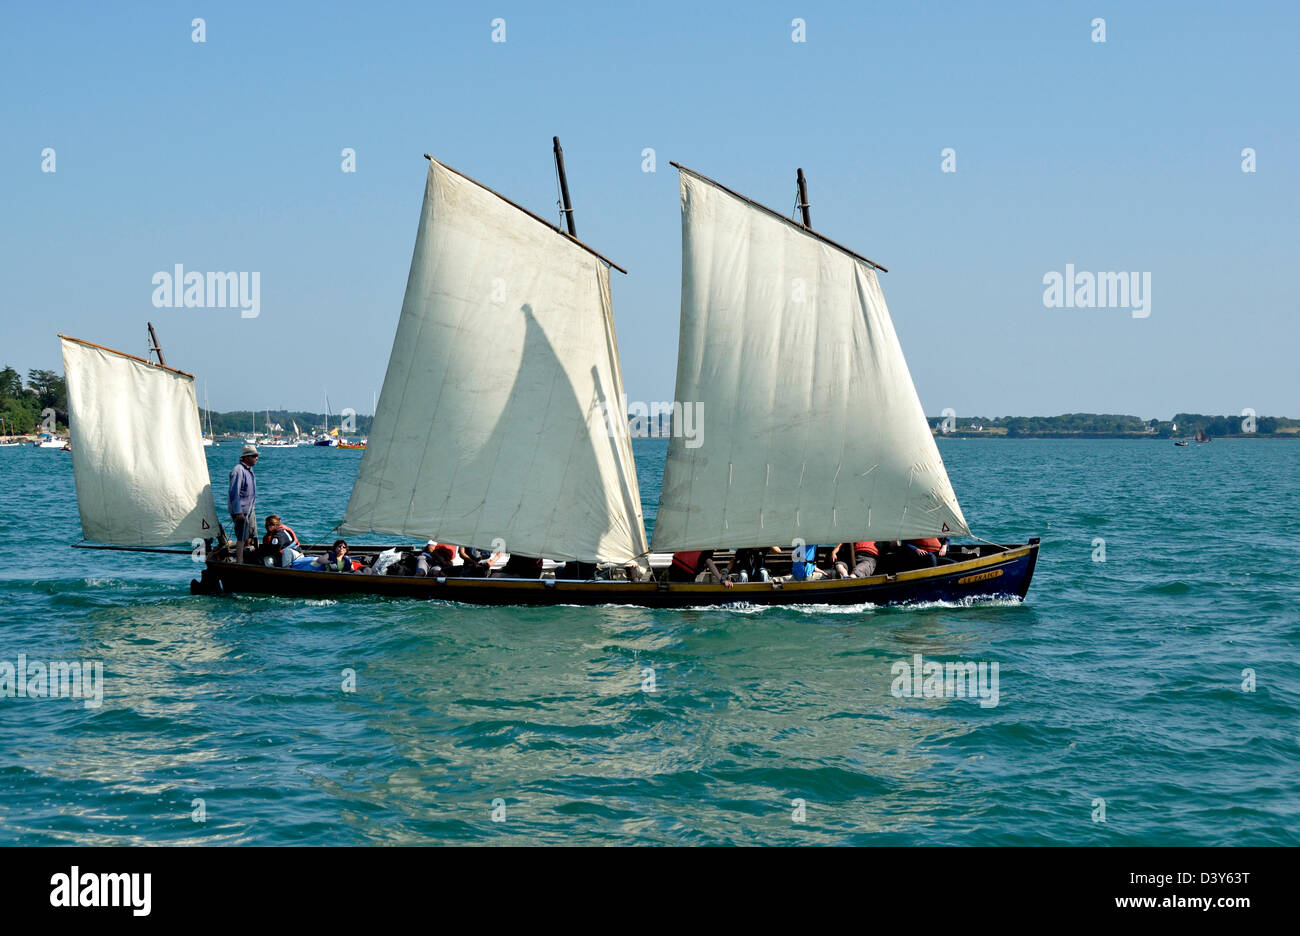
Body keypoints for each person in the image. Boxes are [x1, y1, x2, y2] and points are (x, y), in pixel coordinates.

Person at [228, 445, 258, 564]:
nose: (257, 458)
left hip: (250, 510)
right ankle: (239, 562)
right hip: (241, 511)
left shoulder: (249, 470)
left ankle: (248, 557)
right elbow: (234, 492)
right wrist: (238, 511)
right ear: (246, 457)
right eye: (254, 456)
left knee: (251, 533)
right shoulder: (238, 471)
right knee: (241, 537)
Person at [668, 550, 734, 587]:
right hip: (682, 575)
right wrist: (721, 579)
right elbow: (709, 562)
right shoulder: (706, 547)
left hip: (672, 569)